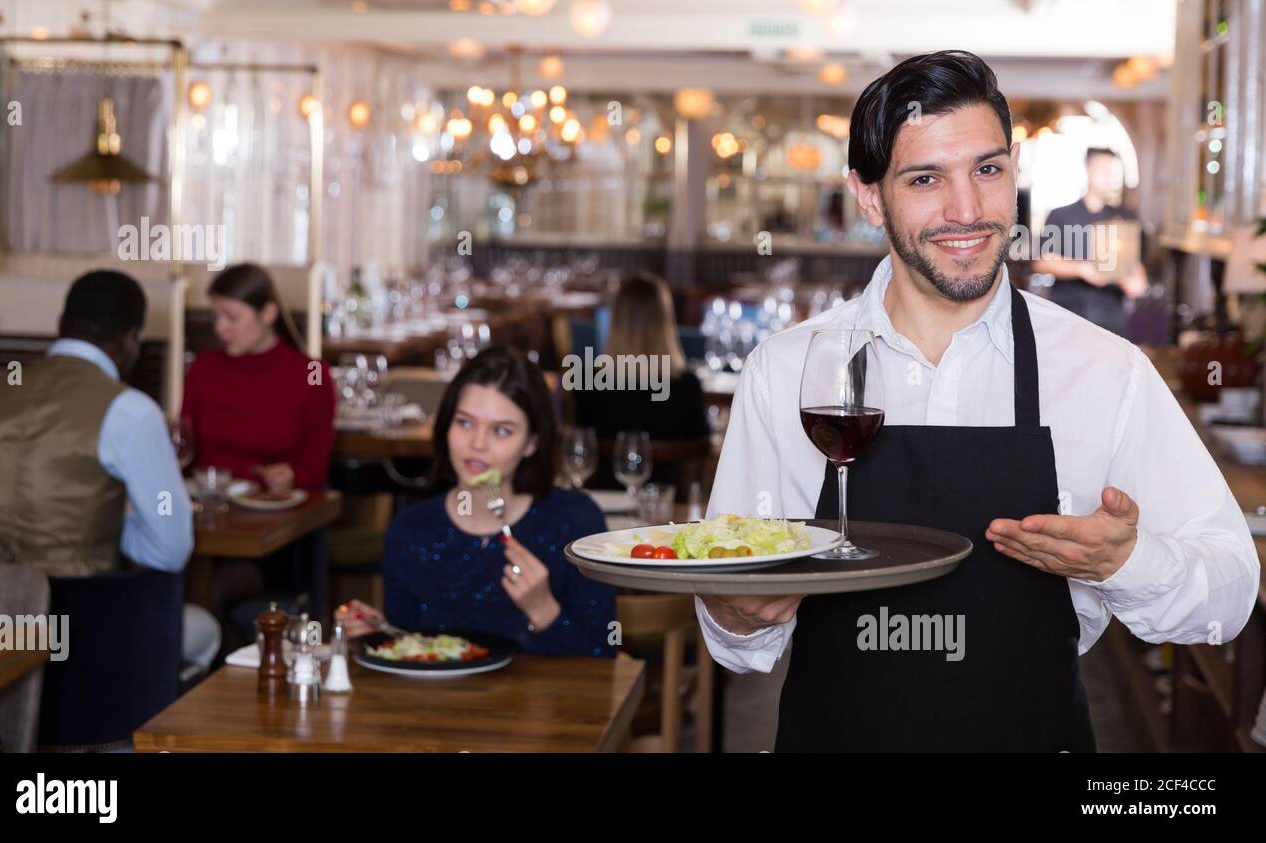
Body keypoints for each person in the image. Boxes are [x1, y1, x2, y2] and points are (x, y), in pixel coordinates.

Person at [696, 51, 1260, 752]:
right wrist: (735, 608)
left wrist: (1126, 561)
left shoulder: (1105, 370)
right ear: (868, 195)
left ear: (1013, 169)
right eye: (926, 178)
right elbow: (735, 638)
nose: (967, 210)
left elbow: (1232, 593)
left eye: (987, 170)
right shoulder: (784, 375)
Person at [0, 269, 219, 674]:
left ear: (60, 326)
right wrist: (111, 525)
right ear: (130, 339)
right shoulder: (131, 411)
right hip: (75, 636)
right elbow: (171, 549)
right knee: (203, 629)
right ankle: (121, 736)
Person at [341, 346, 616, 657]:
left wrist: (544, 610)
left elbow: (603, 657)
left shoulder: (577, 522)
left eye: (501, 430)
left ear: (531, 443)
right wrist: (374, 636)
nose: (477, 444)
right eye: (465, 423)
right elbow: (410, 651)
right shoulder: (411, 529)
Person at [181, 262, 335, 492]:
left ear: (268, 314)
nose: (220, 328)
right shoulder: (203, 367)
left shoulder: (313, 373)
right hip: (207, 503)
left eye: (231, 318)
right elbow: (183, 448)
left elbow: (315, 467)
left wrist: (292, 476)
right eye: (216, 316)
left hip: (275, 509)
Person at [574, 272, 709, 489]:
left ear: (615, 320)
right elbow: (702, 449)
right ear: (666, 321)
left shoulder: (587, 380)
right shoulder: (687, 384)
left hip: (604, 502)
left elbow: (581, 448)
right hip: (672, 507)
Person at [1031, 147, 1149, 336]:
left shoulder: (1124, 217)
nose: (1110, 178)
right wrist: (1082, 269)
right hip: (1068, 314)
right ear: (1088, 171)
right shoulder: (1061, 215)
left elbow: (1135, 265)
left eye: (1113, 172)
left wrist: (1138, 281)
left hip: (1111, 316)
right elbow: (1042, 262)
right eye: (1104, 171)